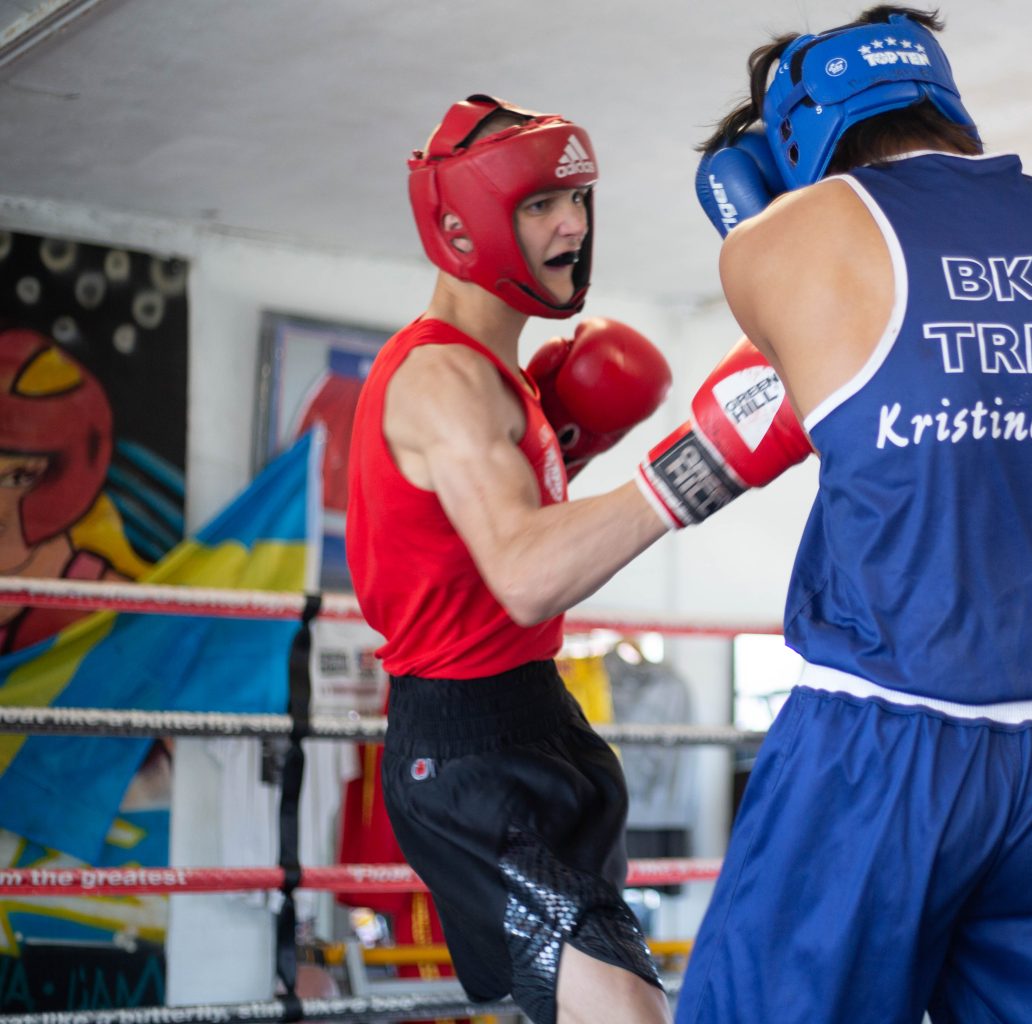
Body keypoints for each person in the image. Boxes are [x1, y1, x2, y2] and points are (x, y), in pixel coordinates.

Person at [659, 8, 1032, 1022]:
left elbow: (794, 328)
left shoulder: (787, 238)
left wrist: (762, 199)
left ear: (798, 137)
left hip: (883, 736)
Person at [345, 95, 810, 1024]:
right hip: (467, 755)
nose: (574, 225)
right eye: (539, 205)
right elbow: (525, 576)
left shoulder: (501, 380)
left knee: (611, 1004)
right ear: (461, 226)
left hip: (540, 717)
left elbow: (480, 548)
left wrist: (568, 443)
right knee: (627, 1015)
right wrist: (702, 463)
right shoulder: (441, 379)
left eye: (578, 199)